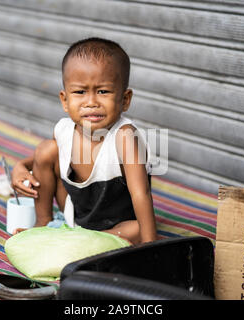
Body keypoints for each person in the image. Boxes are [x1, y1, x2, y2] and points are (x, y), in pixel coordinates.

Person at [11, 37, 157, 245]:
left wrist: (151, 249)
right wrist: (20, 166)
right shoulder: (63, 129)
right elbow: (40, 159)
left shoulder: (125, 137)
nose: (91, 102)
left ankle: (75, 240)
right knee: (46, 150)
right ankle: (43, 224)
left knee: (137, 230)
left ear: (125, 100)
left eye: (103, 91)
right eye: (80, 92)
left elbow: (141, 194)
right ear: (65, 99)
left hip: (116, 227)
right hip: (75, 215)